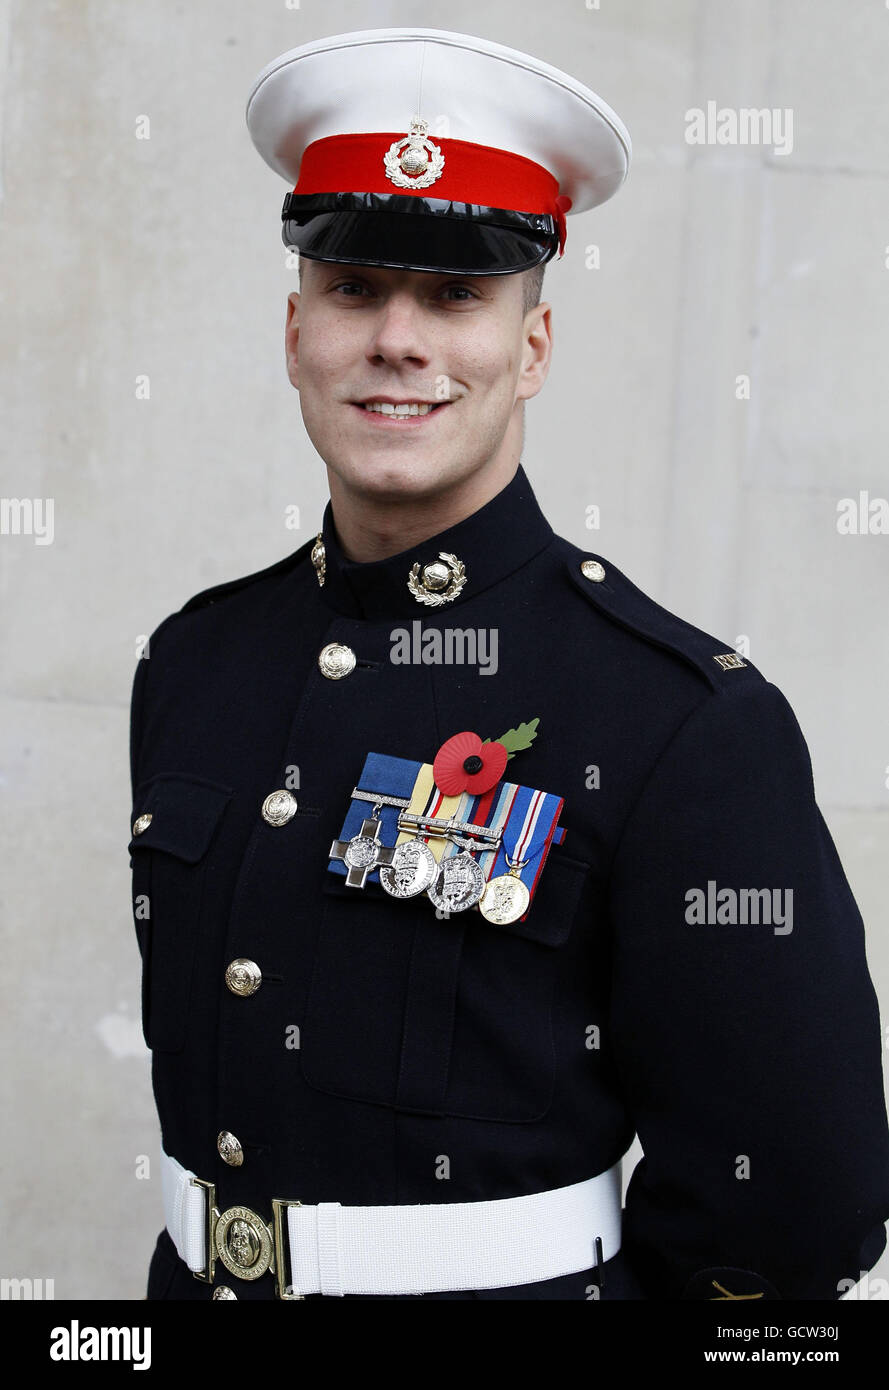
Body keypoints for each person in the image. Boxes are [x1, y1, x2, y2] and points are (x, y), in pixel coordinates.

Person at [130, 27, 889, 1301]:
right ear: (295, 329)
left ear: (529, 349)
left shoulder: (678, 719)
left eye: (455, 296)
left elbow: (796, 1207)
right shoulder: (198, 659)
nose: (399, 341)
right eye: (356, 288)